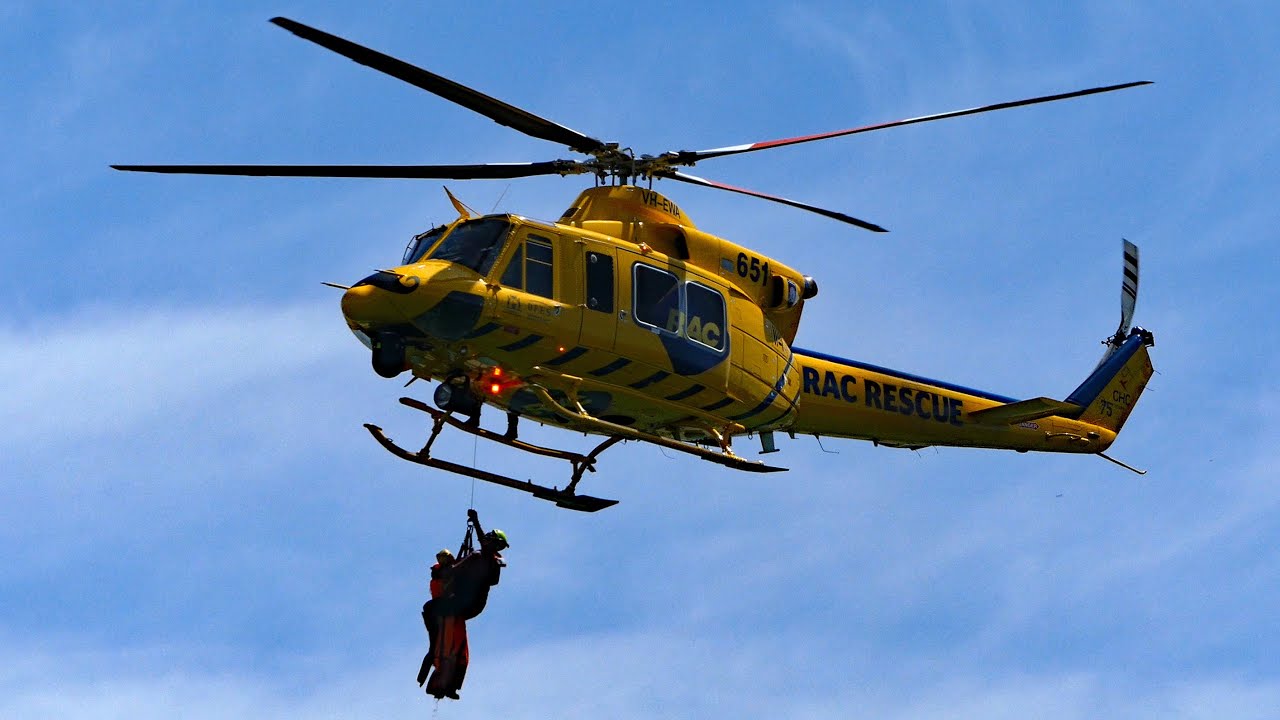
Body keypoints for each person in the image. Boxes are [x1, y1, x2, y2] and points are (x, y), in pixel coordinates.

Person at [422, 510, 509, 701]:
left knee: (430, 609)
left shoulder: (486, 558)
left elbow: (481, 547)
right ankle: (444, 674)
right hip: (469, 604)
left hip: (467, 603)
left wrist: (476, 521)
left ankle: (433, 647)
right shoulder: (486, 559)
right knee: (435, 612)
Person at [416, 549, 455, 687]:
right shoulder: (442, 572)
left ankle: (422, 678)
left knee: (436, 647)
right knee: (436, 647)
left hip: (434, 611)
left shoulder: (441, 571)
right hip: (436, 612)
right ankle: (424, 677)